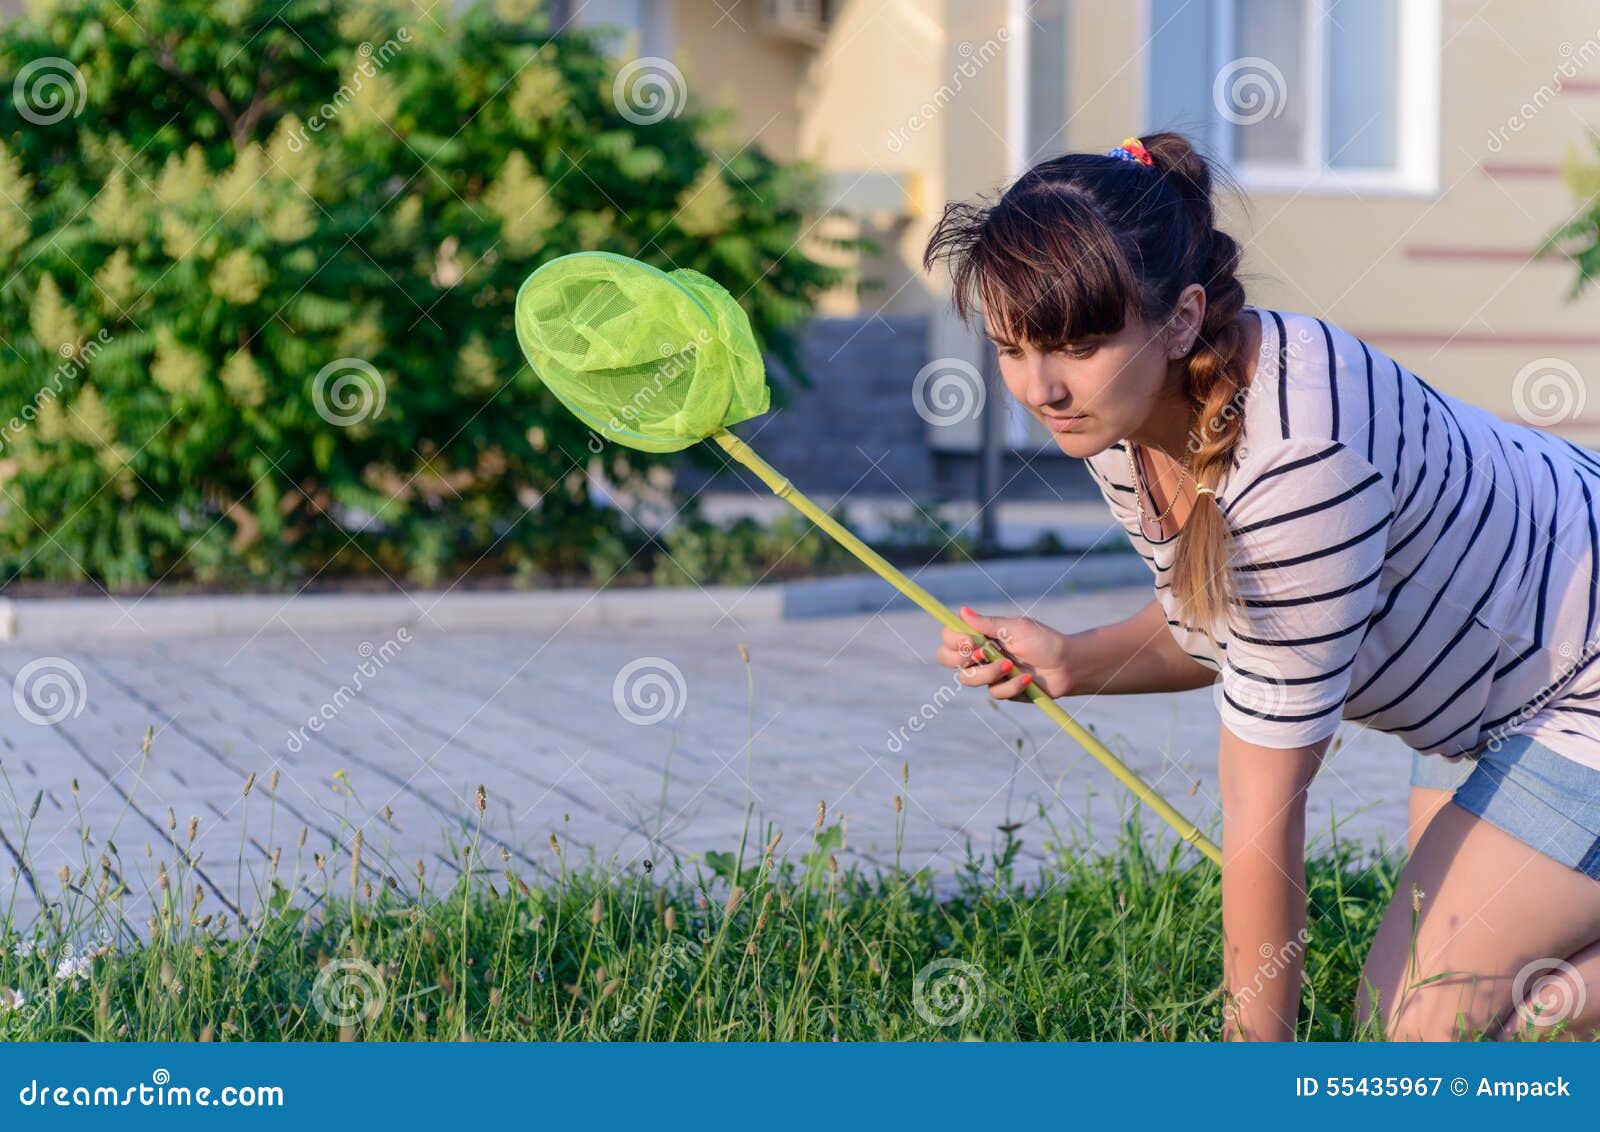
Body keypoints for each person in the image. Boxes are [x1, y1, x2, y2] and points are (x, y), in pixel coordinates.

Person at [922, 131, 1600, 1042]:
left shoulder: (1300, 457)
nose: (1039, 386)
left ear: (1180, 317)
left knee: (1419, 1039)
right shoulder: (1125, 412)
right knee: (1423, 1022)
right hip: (1498, 684)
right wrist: (1076, 662)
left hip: (1579, 678)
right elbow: (1237, 633)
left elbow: (1261, 813)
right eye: (1012, 347)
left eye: (1077, 345)